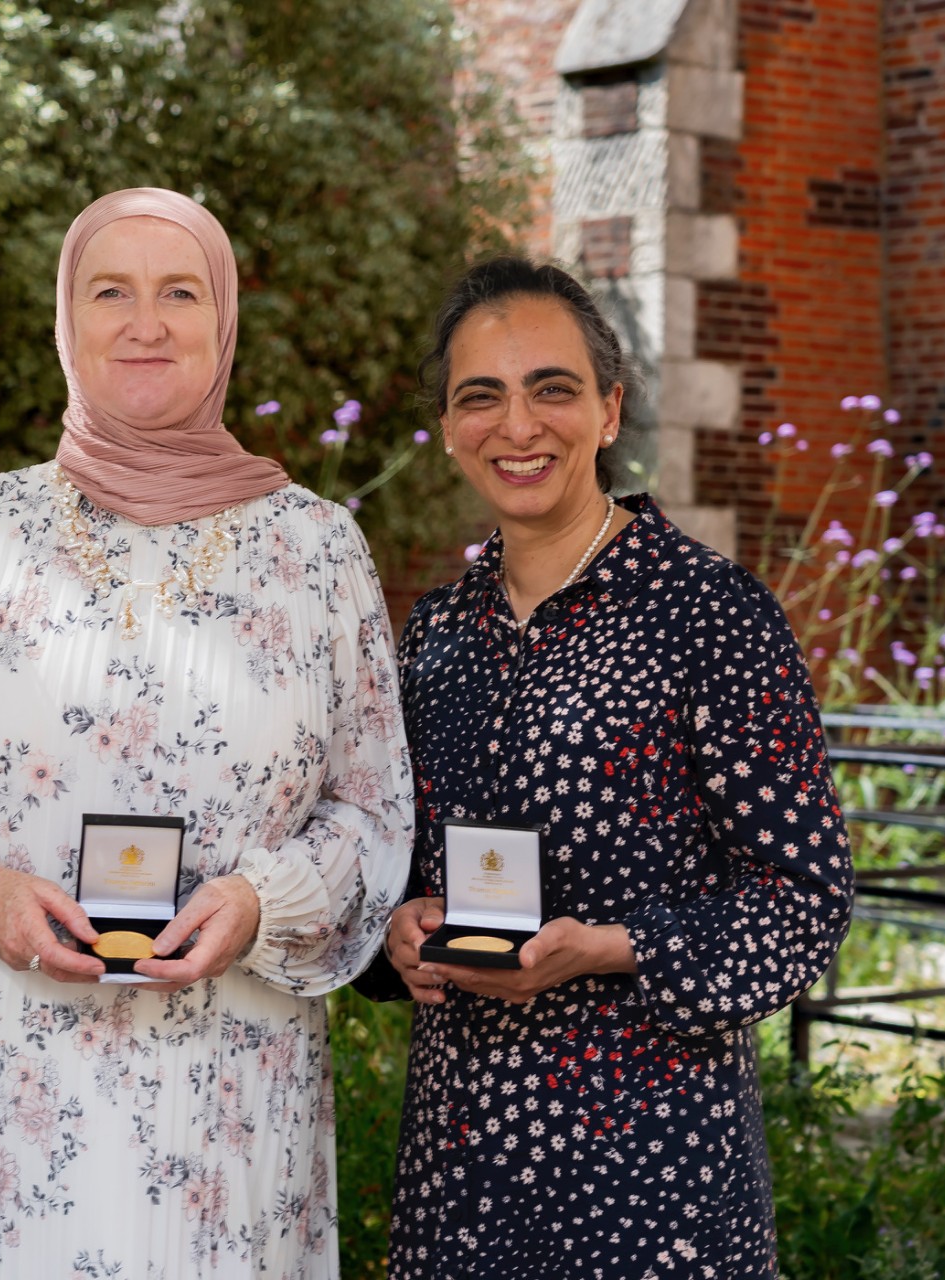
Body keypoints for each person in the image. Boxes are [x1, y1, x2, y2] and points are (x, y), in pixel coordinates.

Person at [0, 187, 414, 1277]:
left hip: (225, 1108)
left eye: (179, 293)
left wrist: (261, 903)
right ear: (68, 317)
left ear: (224, 321)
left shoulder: (318, 548)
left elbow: (373, 806)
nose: (146, 323)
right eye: (111, 292)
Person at [364, 258, 852, 1278]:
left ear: (609, 409)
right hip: (462, 1174)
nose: (518, 425)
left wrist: (613, 947)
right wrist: (399, 931)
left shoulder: (708, 613)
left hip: (652, 1173)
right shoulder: (438, 633)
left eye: (552, 387)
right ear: (448, 428)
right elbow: (397, 864)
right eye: (481, 396)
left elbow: (803, 902)